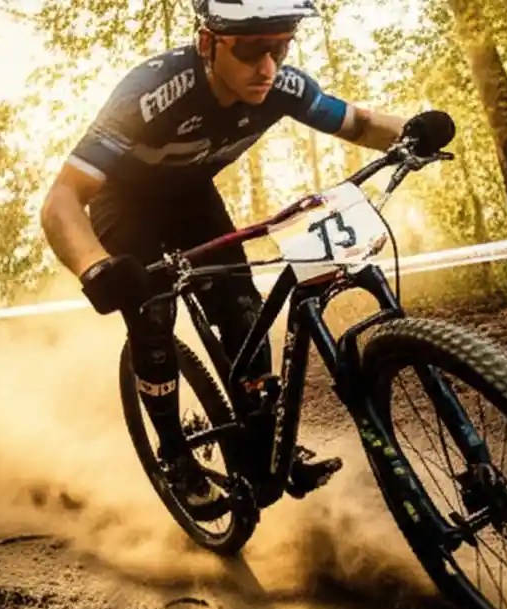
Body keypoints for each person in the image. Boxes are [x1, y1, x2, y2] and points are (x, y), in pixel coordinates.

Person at [39, 0, 439, 521]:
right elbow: (61, 199)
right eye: (252, 50)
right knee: (152, 314)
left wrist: (417, 130)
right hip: (124, 203)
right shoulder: (150, 93)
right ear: (209, 44)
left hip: (192, 199)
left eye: (281, 46)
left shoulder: (283, 87)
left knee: (245, 309)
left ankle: (261, 436)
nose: (268, 66)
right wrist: (94, 266)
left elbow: (358, 125)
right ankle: (176, 456)